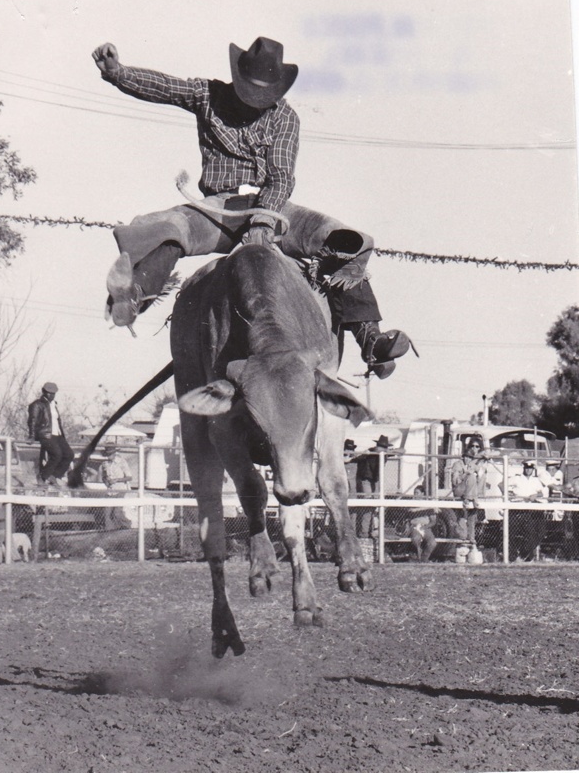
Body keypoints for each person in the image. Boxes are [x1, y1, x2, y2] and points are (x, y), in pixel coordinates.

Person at [92, 37, 416, 380]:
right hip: (218, 209)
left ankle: (369, 338)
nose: (255, 104)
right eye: (249, 93)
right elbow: (166, 88)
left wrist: (262, 222)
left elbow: (280, 178)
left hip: (274, 210)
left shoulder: (285, 119)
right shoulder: (208, 95)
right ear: (237, 78)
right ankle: (135, 295)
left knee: (344, 240)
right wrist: (119, 73)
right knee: (171, 227)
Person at [27, 382, 74, 486]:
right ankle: (42, 476)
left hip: (57, 434)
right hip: (46, 434)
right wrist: (31, 436)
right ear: (43, 392)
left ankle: (55, 475)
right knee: (57, 454)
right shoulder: (37, 404)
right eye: (49, 393)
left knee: (69, 455)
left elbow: (57, 421)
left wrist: (62, 435)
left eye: (53, 393)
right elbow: (32, 420)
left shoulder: (54, 405)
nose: (51, 395)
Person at [451, 437, 487, 543]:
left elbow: (481, 472)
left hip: (469, 493)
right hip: (459, 490)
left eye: (470, 458)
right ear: (463, 457)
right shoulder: (457, 465)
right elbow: (455, 482)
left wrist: (479, 472)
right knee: (471, 477)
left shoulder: (472, 465)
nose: (467, 459)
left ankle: (471, 537)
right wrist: (465, 475)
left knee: (472, 516)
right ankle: (472, 498)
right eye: (466, 457)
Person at [100, 443, 133, 530]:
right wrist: (106, 482)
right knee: (107, 513)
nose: (108, 456)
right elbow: (103, 476)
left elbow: (129, 477)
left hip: (120, 490)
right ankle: (110, 532)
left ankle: (126, 528)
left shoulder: (122, 462)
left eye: (110, 453)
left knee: (117, 512)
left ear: (114, 453)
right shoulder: (105, 464)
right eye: (107, 454)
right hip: (110, 491)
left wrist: (117, 480)